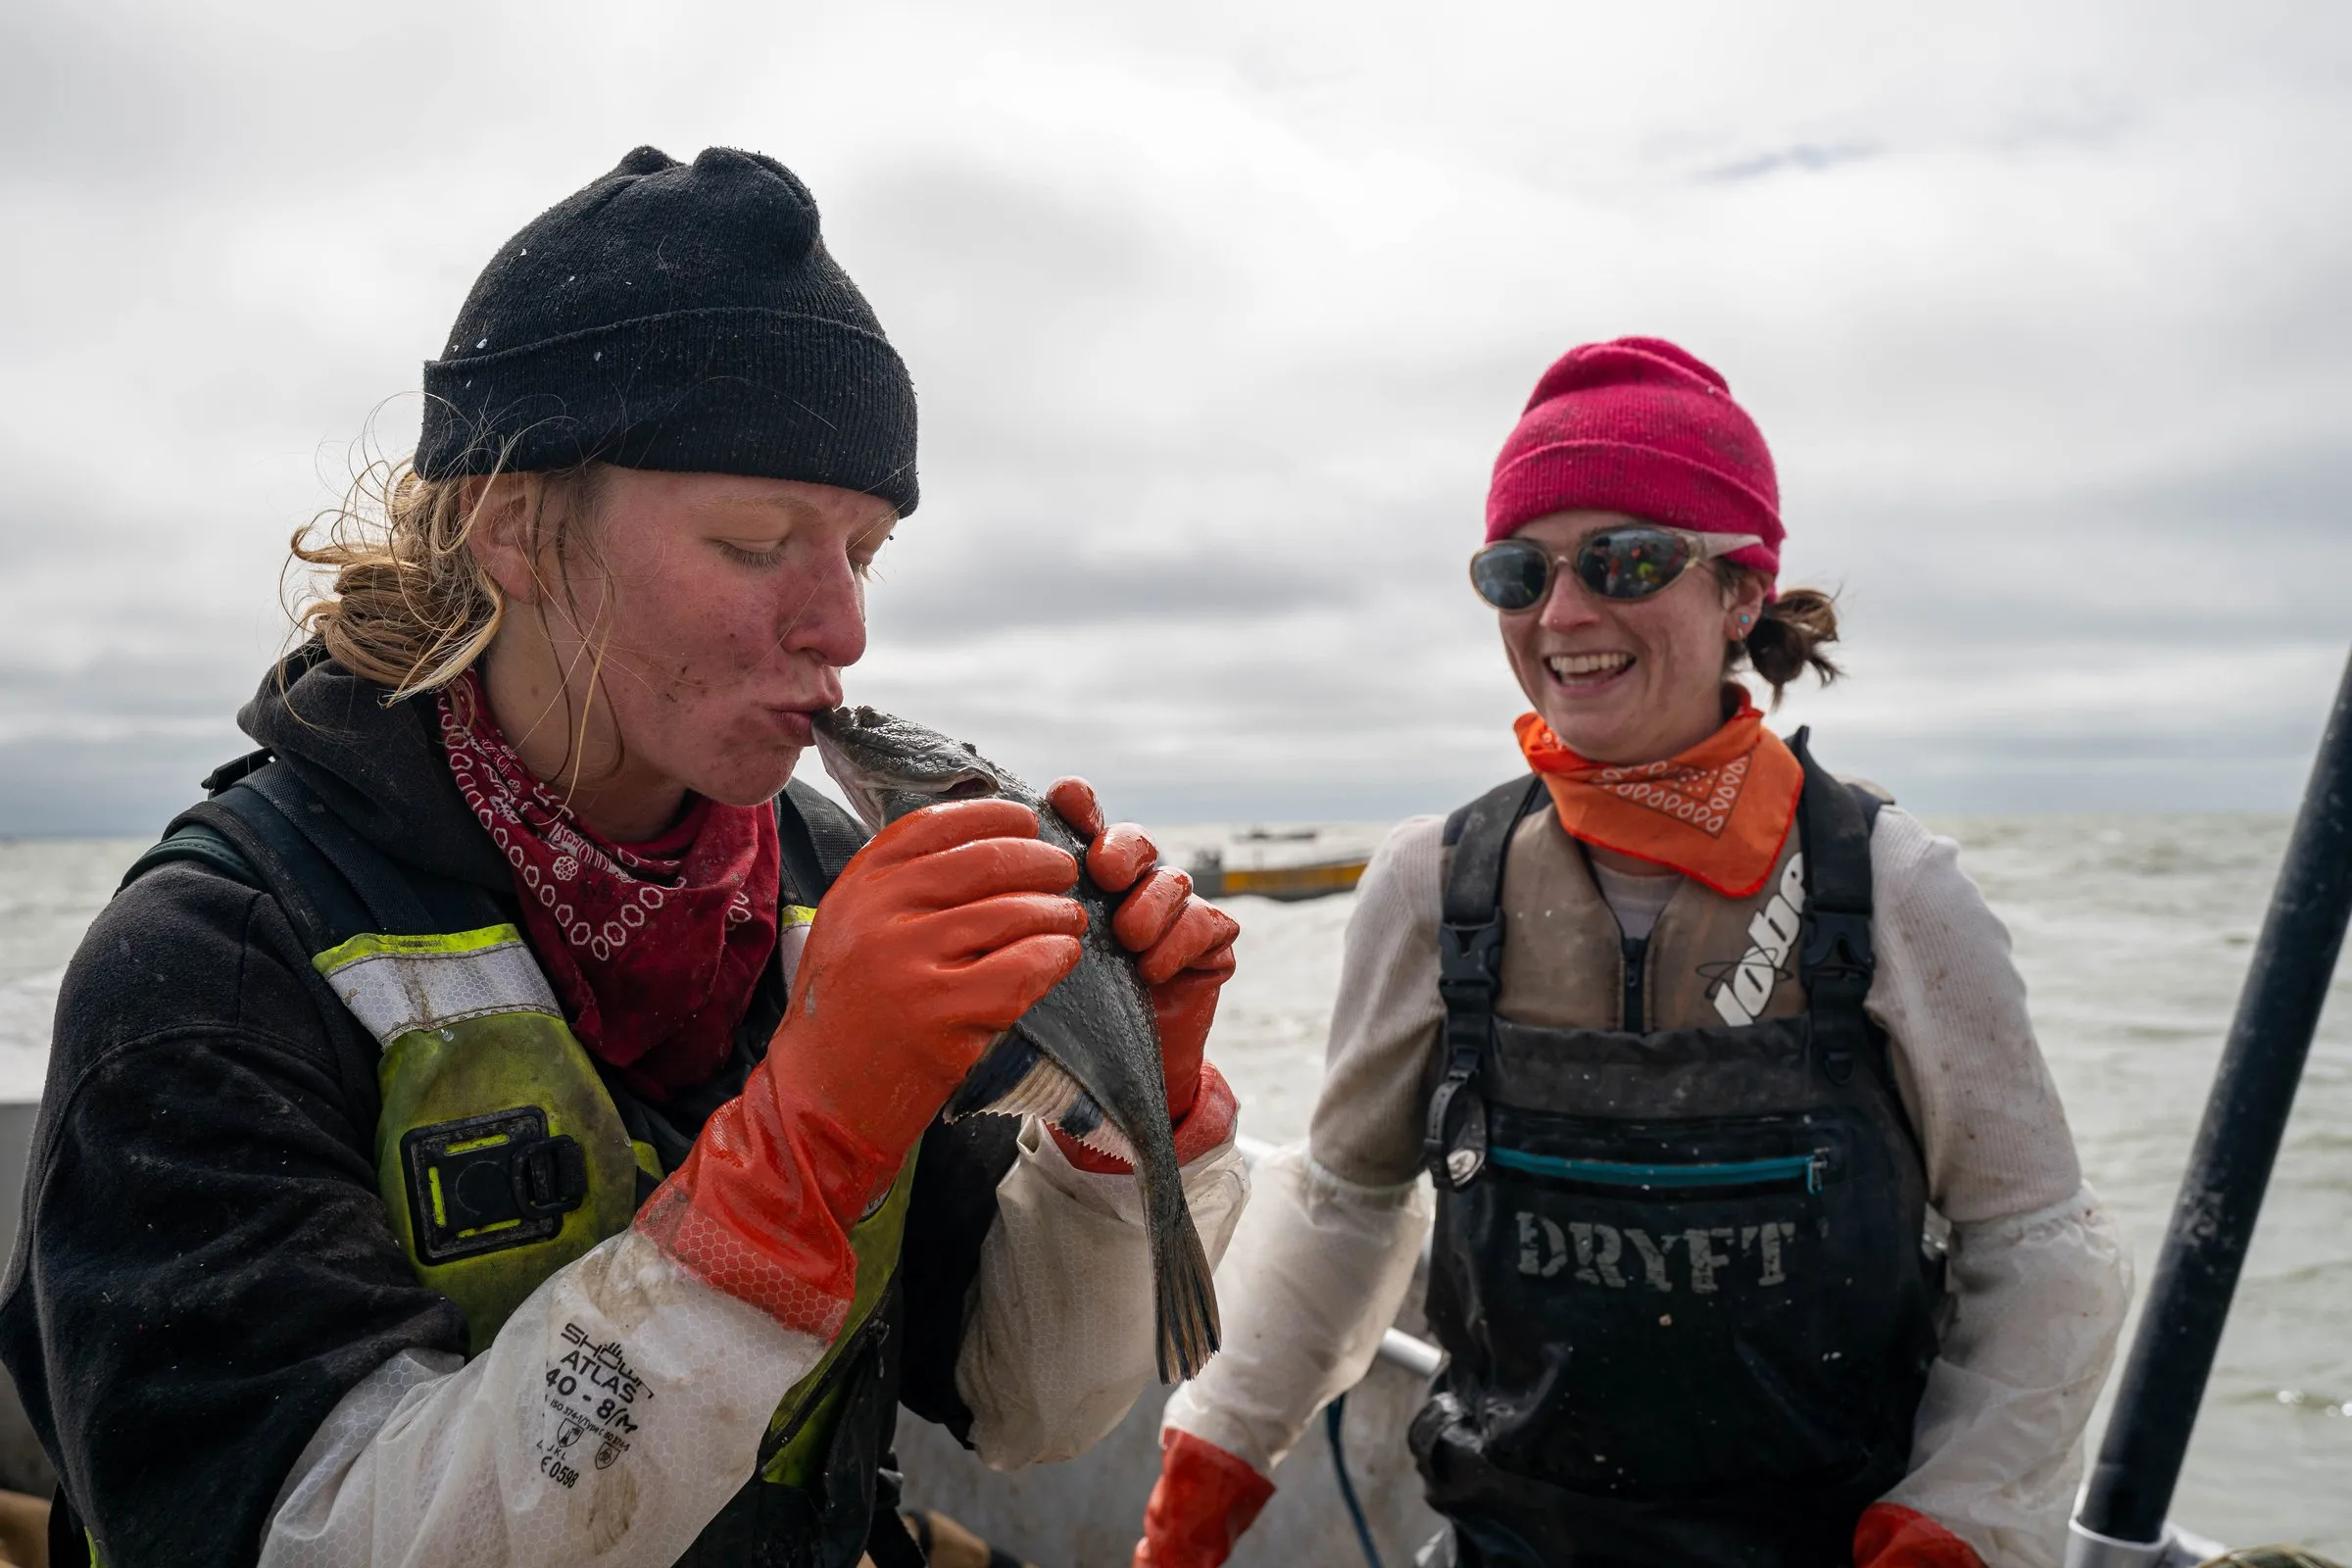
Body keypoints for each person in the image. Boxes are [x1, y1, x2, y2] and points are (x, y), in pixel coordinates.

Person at [0, 146, 1250, 1568]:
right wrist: (786, 1170)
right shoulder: (213, 965)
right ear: (516, 525)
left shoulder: (829, 884)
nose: (843, 629)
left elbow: (1019, 1400)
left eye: (866, 551)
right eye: (756, 540)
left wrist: (1115, 1128)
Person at [1132, 338, 2132, 1568]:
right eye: (1519, 570)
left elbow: (2034, 1245)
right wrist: (1211, 1463)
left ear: (1741, 595)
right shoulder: (1431, 884)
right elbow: (1344, 1206)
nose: (1563, 613)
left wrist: (1958, 1523)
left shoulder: (1892, 887)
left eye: (1627, 559)